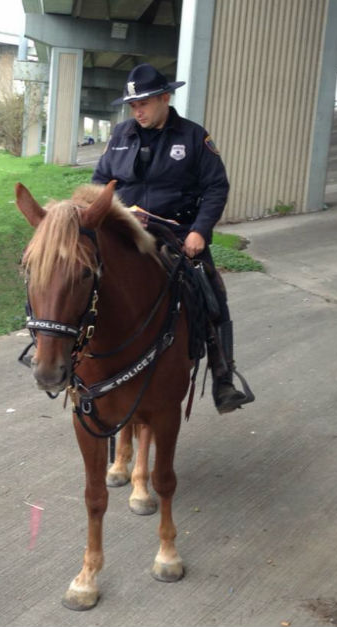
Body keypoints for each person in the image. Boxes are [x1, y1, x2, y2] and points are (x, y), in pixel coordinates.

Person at [92, 63, 254, 413]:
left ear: (165, 98)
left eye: (144, 103)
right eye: (133, 105)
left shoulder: (194, 137)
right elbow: (99, 182)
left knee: (211, 291)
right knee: (77, 276)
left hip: (177, 234)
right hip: (125, 231)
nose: (138, 111)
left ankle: (223, 376)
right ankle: (67, 357)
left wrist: (199, 231)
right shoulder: (120, 135)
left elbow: (216, 187)